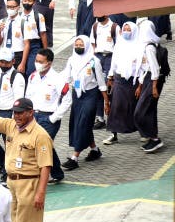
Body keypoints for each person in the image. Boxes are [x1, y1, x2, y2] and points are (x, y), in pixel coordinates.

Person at [60, 36, 107, 171]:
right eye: (77, 45)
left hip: (90, 95)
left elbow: (100, 81)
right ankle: (95, 150)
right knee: (80, 123)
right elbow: (66, 77)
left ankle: (74, 158)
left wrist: (106, 102)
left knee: (83, 123)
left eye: (81, 45)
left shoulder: (93, 61)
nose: (78, 47)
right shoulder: (71, 60)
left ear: (86, 46)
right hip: (77, 95)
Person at [25, 48, 70, 184]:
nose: (37, 63)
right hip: (34, 116)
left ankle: (38, 175)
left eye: (40, 61)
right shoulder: (33, 76)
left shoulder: (58, 79)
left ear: (49, 63)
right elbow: (28, 96)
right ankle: (57, 173)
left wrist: (54, 117)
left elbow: (67, 100)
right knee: (46, 146)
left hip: (48, 118)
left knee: (40, 145)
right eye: (36, 61)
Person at [0, 49, 26, 181]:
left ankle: (9, 170)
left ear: (13, 61)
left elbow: (18, 98)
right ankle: (3, 163)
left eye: (6, 62)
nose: (3, 64)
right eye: (1, 61)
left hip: (8, 112)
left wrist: (15, 117)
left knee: (9, 144)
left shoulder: (17, 77)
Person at [103, 22, 140, 146]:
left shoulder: (139, 45)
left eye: (129, 30)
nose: (126, 32)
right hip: (119, 80)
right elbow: (114, 61)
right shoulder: (119, 44)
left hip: (133, 80)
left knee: (136, 106)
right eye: (125, 29)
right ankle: (114, 134)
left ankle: (143, 132)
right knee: (116, 106)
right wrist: (110, 76)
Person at [133, 20, 164, 153]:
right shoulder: (145, 46)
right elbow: (144, 68)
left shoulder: (149, 47)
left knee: (139, 113)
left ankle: (154, 139)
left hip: (152, 81)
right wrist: (140, 85)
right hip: (147, 79)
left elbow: (155, 68)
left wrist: (154, 87)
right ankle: (153, 138)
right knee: (149, 111)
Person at [90, 15, 118, 129]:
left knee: (109, 86)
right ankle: (99, 117)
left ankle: (112, 116)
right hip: (98, 57)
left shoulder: (114, 27)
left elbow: (119, 45)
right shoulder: (95, 26)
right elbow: (92, 43)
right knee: (97, 86)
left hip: (110, 58)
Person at [0, 0, 31, 75]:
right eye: (8, 7)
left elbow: (27, 44)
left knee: (17, 77)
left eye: (12, 7)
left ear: (18, 7)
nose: (10, 9)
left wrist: (23, 63)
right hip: (4, 53)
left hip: (17, 54)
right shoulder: (3, 21)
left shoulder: (24, 23)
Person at [19, 0, 48, 77]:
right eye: (25, 0)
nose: (27, 3)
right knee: (20, 70)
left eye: (29, 1)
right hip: (22, 44)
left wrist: (45, 51)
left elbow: (43, 34)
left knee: (31, 70)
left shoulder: (39, 16)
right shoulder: (19, 16)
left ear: (34, 2)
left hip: (34, 45)